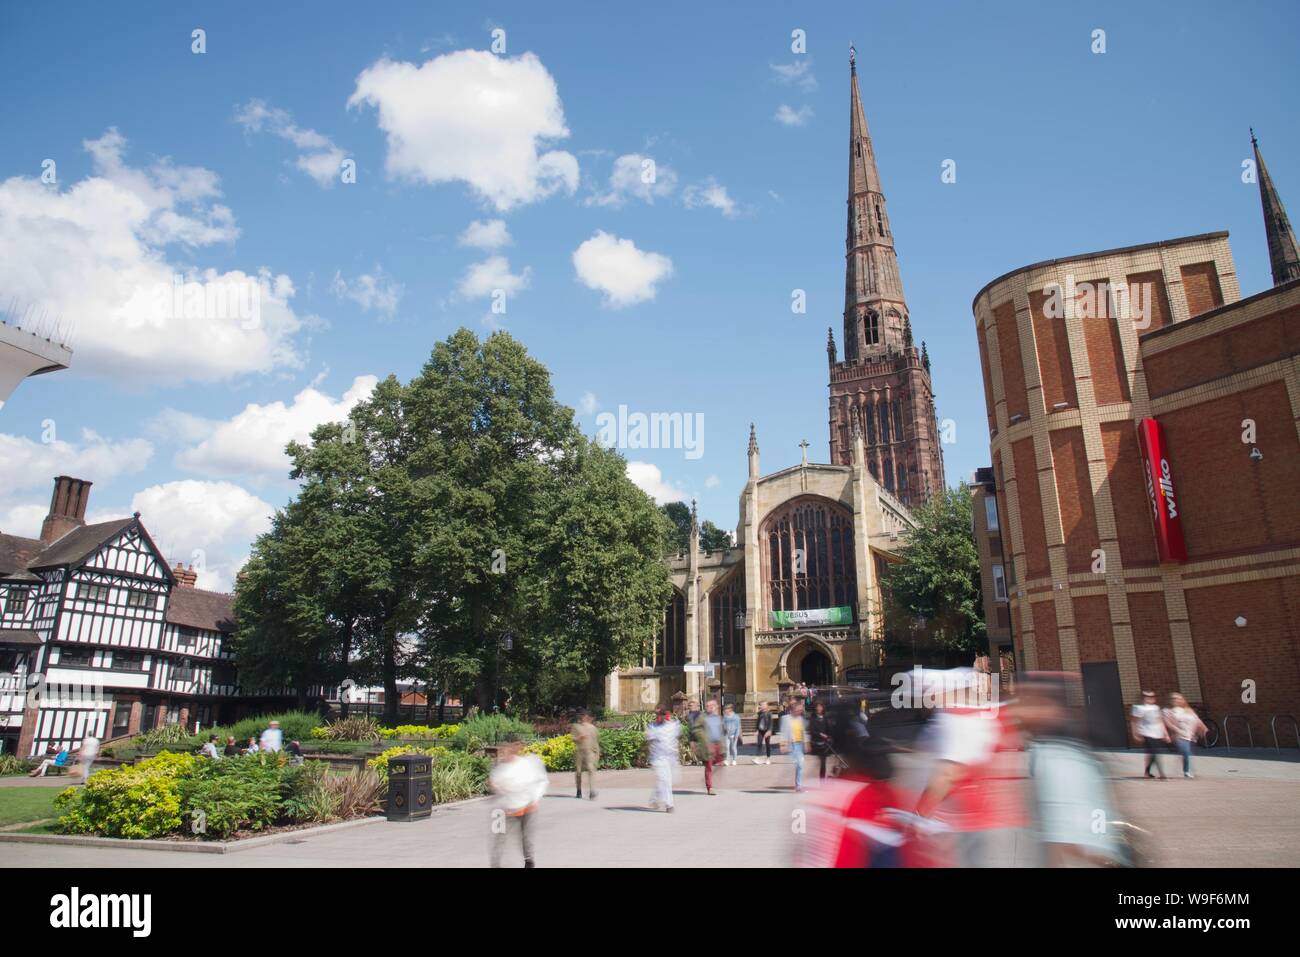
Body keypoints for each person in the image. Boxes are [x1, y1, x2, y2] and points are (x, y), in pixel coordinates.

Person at [488, 737, 548, 867]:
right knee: (499, 838)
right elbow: (493, 782)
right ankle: (495, 864)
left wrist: (535, 798)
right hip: (504, 809)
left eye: (510, 749)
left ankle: (529, 861)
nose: (506, 752)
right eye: (505, 750)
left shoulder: (527, 763)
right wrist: (498, 787)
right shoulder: (499, 768)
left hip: (527, 808)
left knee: (526, 838)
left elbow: (541, 781)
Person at [1163, 693, 1207, 779]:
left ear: (1182, 700)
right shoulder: (1167, 711)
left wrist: (1203, 727)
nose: (1176, 700)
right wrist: (1176, 729)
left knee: (1187, 753)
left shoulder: (1187, 710)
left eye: (1178, 698)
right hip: (1178, 735)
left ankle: (1187, 768)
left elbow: (1196, 719)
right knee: (1186, 752)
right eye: (1174, 698)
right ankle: (1186, 771)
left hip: (1189, 735)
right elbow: (1167, 723)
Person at [645, 708, 681, 812]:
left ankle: (654, 799)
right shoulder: (652, 726)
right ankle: (669, 804)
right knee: (666, 781)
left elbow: (677, 739)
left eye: (661, 714)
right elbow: (649, 742)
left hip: (671, 758)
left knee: (666, 781)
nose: (659, 717)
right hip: (658, 758)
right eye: (657, 715)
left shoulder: (673, 725)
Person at [1129, 691, 1169, 779]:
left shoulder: (1156, 708)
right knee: (1155, 752)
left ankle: (1147, 772)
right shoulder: (1138, 708)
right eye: (1147, 697)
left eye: (1151, 697)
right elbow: (1134, 721)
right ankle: (1162, 774)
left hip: (1157, 733)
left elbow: (1160, 721)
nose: (1149, 698)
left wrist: (1165, 733)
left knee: (1152, 752)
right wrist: (1135, 733)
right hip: (1146, 732)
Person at [693, 699, 724, 795]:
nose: (709, 707)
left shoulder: (718, 718)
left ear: (715, 706)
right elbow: (696, 730)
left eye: (712, 706)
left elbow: (721, 731)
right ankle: (709, 787)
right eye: (707, 706)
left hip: (717, 745)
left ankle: (709, 779)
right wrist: (704, 741)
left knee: (720, 764)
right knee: (709, 766)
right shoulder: (702, 717)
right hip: (708, 745)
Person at [571, 710, 600, 799]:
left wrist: (597, 753)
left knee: (591, 770)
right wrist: (579, 738)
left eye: (586, 716)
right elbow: (573, 739)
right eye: (582, 716)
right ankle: (579, 791)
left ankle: (592, 791)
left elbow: (596, 741)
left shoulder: (593, 728)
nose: (584, 717)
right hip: (579, 752)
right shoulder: (576, 727)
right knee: (579, 772)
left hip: (589, 752)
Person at [782, 699, 807, 792]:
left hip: (799, 744)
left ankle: (798, 785)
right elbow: (784, 732)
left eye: (801, 710)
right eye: (798, 709)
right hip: (792, 745)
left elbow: (804, 732)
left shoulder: (800, 719)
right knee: (799, 764)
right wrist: (783, 744)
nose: (800, 711)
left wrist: (807, 743)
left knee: (800, 764)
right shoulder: (786, 718)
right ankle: (798, 785)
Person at [809, 701, 832, 782]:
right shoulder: (813, 717)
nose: (819, 708)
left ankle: (822, 781)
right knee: (818, 763)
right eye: (817, 707)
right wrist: (820, 734)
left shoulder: (825, 718)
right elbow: (811, 730)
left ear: (823, 708)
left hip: (824, 744)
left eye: (820, 706)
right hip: (815, 743)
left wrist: (829, 737)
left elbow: (829, 730)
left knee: (823, 763)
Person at [752, 701, 774, 765]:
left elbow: (771, 723)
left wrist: (769, 731)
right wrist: (756, 730)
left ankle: (768, 758)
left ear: (766, 706)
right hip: (760, 730)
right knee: (759, 743)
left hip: (767, 731)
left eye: (763, 705)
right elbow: (757, 723)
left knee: (767, 744)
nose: (762, 706)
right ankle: (757, 758)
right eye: (761, 705)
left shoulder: (769, 713)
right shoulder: (759, 713)